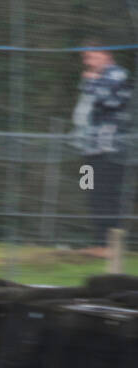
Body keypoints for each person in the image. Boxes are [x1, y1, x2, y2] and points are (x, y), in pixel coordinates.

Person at [72, 41, 132, 255]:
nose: (88, 62)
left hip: (109, 149)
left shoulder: (117, 75)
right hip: (88, 148)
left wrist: (92, 83)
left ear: (106, 55)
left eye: (92, 57)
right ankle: (98, 241)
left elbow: (110, 102)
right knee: (89, 190)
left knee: (107, 193)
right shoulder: (92, 78)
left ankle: (111, 244)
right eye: (86, 58)